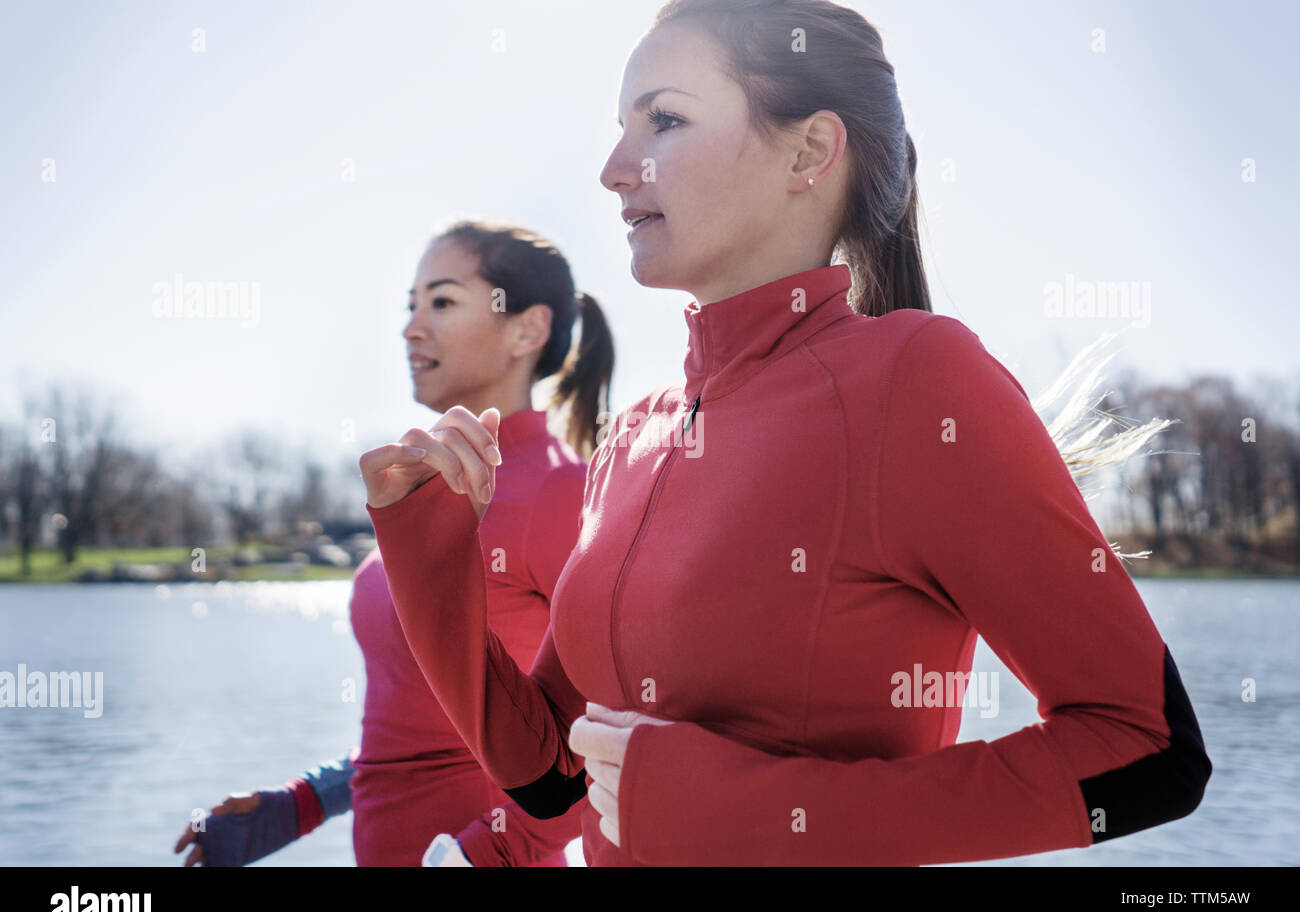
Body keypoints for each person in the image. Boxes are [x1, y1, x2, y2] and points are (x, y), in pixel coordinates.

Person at [360, 0, 1211, 866]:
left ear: (809, 151)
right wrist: (427, 549)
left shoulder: (919, 379)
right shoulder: (634, 437)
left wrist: (761, 812)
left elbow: (1149, 752)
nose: (615, 169)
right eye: (619, 128)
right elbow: (551, 774)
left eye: (664, 120)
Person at [173, 219, 614, 866]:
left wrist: (487, 856)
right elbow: (421, 728)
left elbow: (605, 730)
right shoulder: (426, 491)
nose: (412, 327)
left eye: (442, 301)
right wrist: (303, 801)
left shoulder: (560, 491)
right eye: (410, 306)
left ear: (527, 329)